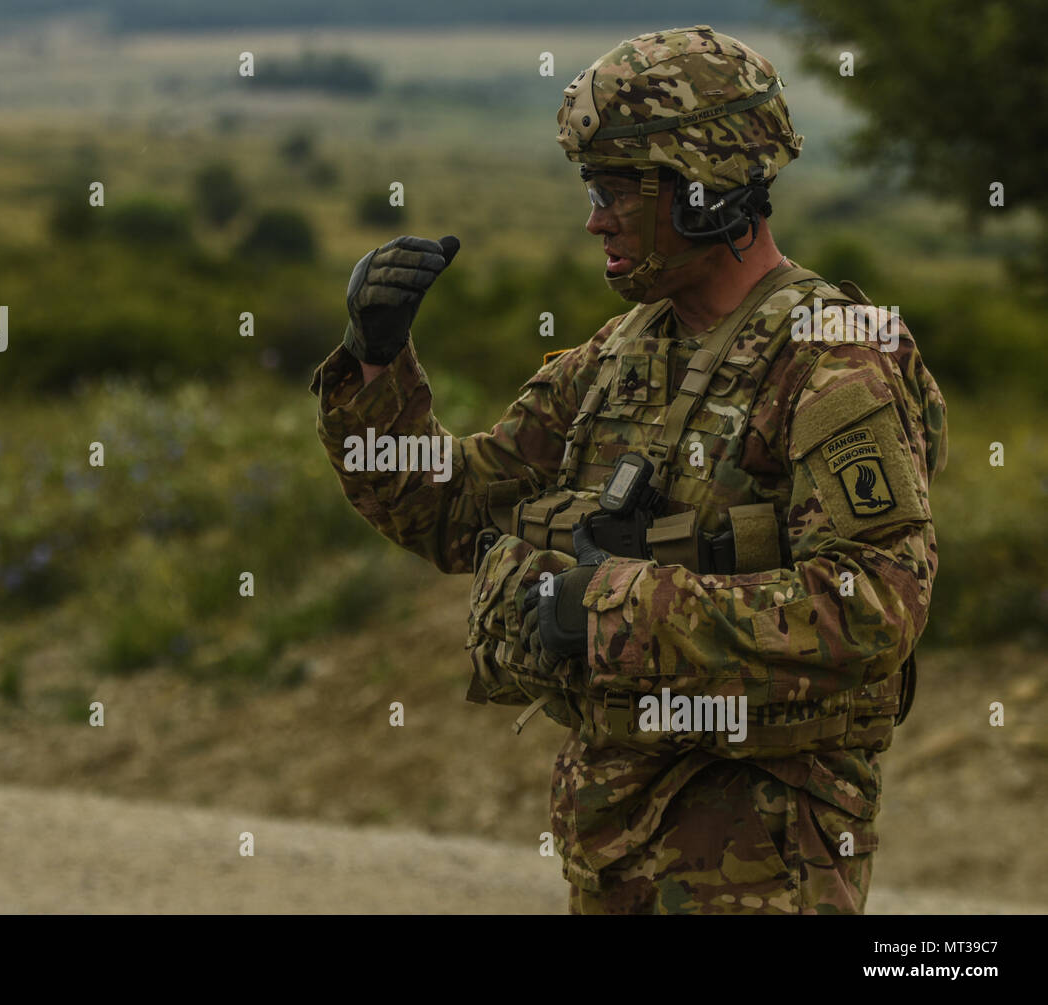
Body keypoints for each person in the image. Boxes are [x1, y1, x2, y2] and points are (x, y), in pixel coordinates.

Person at [310, 25, 947, 914]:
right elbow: (455, 514)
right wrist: (377, 367)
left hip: (764, 867)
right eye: (591, 186)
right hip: (614, 849)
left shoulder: (838, 358)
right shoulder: (621, 353)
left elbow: (877, 606)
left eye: (617, 187)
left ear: (703, 187)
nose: (595, 216)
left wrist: (611, 608)